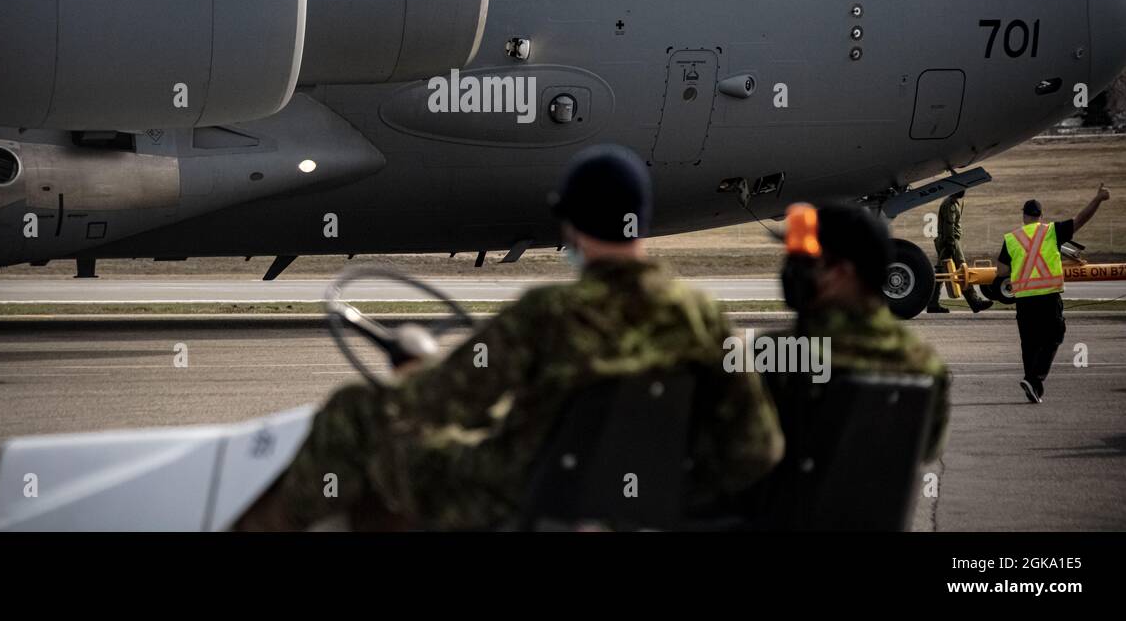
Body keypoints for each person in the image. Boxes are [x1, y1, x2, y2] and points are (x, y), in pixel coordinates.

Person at [234, 144, 784, 531]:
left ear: (572, 228)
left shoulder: (547, 315)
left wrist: (413, 366)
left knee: (354, 412)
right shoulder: (704, 317)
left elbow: (435, 400)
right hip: (642, 510)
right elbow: (756, 450)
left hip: (510, 502)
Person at [782, 203, 950, 461]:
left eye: (807, 262)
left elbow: (752, 450)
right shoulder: (925, 364)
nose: (792, 270)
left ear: (840, 274)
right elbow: (927, 451)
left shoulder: (776, 355)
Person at [998, 187, 1110, 403]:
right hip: (1048, 297)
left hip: (1023, 300)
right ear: (1041, 216)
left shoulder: (1012, 238)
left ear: (1024, 216)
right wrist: (1098, 199)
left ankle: (1033, 387)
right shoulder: (1051, 231)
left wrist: (1021, 267)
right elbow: (1080, 220)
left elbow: (1001, 271)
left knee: (1029, 343)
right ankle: (1034, 378)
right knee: (1054, 335)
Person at [931, 191, 987, 314]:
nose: (964, 191)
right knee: (963, 270)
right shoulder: (950, 204)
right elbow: (949, 225)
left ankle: (932, 303)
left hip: (947, 240)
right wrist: (950, 244)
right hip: (950, 241)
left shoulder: (952, 202)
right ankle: (974, 301)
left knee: (942, 272)